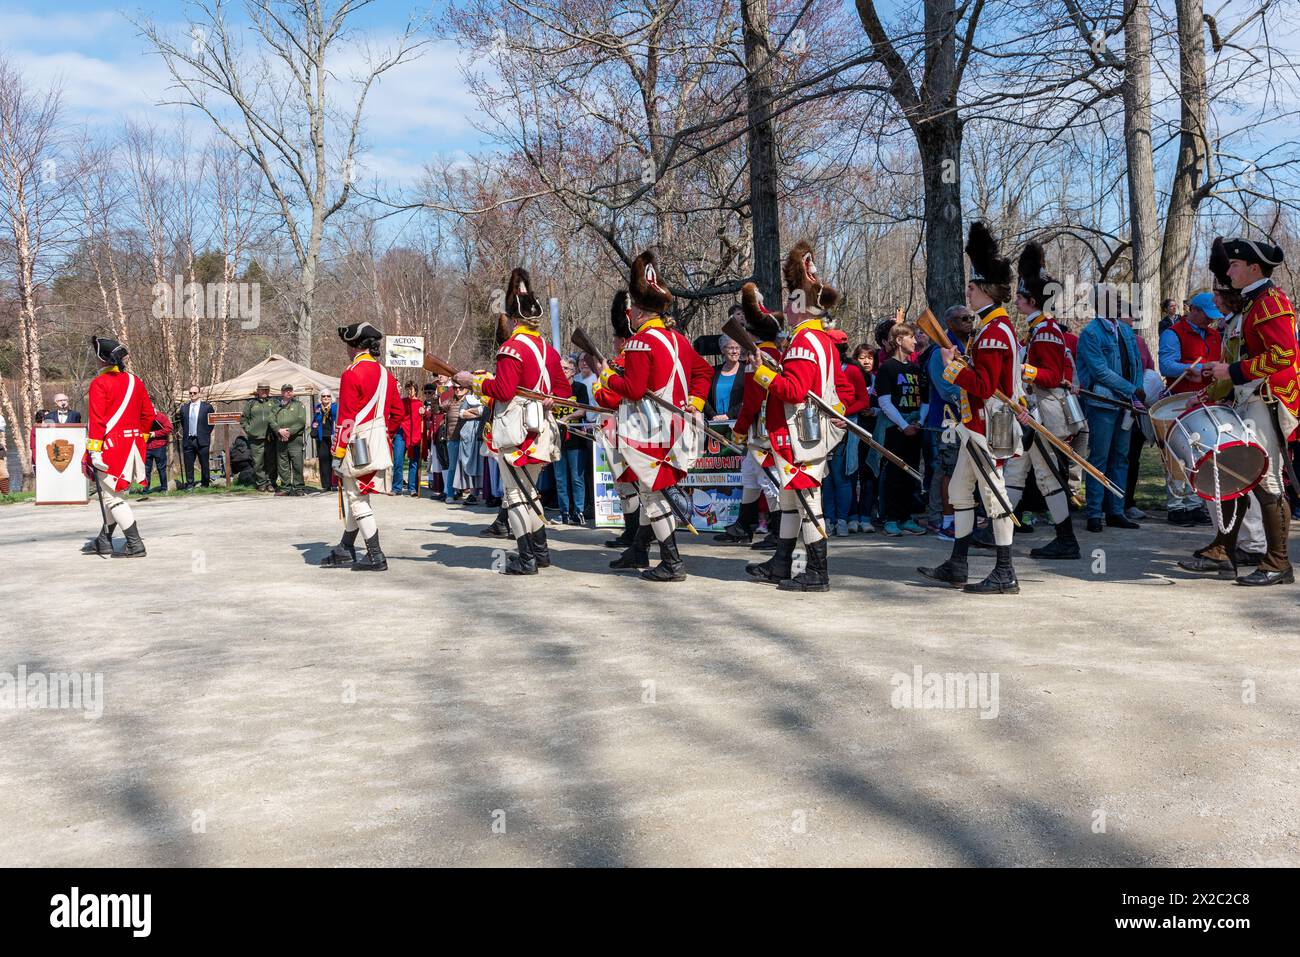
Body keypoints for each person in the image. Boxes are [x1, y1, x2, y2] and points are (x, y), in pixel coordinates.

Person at [919, 221, 1025, 594]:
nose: (967, 293)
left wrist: (952, 366)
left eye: (970, 288)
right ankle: (958, 563)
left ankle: (1005, 571)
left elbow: (985, 386)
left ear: (983, 291)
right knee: (962, 494)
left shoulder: (994, 333)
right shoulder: (990, 328)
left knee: (994, 496)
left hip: (986, 427)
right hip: (974, 426)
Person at [598, 249, 713, 582]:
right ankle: (641, 549)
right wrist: (696, 402)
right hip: (677, 427)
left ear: (639, 310)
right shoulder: (679, 339)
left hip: (649, 431)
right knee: (655, 493)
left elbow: (632, 389)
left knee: (652, 496)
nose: (629, 313)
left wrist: (607, 377)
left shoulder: (639, 344)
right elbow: (704, 372)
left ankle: (672, 562)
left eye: (632, 308)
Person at [745, 241, 852, 592]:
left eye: (792, 299)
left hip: (800, 434)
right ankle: (781, 563)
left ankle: (818, 571)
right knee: (792, 500)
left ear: (800, 304)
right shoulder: (817, 339)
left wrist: (763, 373)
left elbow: (793, 390)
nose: (786, 306)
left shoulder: (805, 342)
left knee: (808, 501)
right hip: (806, 431)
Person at [455, 268, 572, 574]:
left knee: (516, 494)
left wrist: (475, 382)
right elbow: (563, 390)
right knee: (530, 490)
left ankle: (527, 558)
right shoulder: (547, 349)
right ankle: (541, 551)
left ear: (512, 318)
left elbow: (504, 390)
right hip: (541, 429)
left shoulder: (511, 348)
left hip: (516, 431)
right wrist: (548, 398)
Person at [1203, 236, 1298, 586]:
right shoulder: (1250, 303)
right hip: (1251, 397)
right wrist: (1221, 378)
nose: (1229, 271)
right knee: (1237, 475)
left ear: (1253, 268)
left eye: (1234, 265)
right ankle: (1225, 550)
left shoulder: (1271, 302)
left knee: (1267, 478)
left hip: (1269, 399)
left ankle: (1278, 563)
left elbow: (1283, 355)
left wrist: (1233, 372)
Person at [1180, 238, 1268, 577]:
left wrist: (1206, 395)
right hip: (1241, 405)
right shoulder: (1232, 323)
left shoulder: (1239, 321)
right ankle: (1238, 545)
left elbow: (1237, 371)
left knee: (1235, 478)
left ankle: (1250, 546)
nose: (1215, 298)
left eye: (1218, 293)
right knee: (1239, 480)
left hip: (1255, 405)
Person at [994, 241, 1081, 560]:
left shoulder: (1045, 332)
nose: (1014, 300)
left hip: (1044, 414)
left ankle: (1066, 538)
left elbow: (1052, 375)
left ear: (1032, 301)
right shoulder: (1041, 329)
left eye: (1019, 296)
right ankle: (998, 530)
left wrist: (1020, 368)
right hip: (1036, 412)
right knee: (1016, 471)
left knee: (1046, 476)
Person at [319, 322, 404, 570]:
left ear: (354, 346)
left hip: (356, 443)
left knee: (356, 498)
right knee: (358, 495)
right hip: (378, 441)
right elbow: (397, 413)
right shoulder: (386, 374)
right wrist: (383, 434)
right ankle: (346, 547)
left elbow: (346, 417)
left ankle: (376, 555)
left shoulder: (351, 373)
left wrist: (338, 451)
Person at [80, 336, 156, 558]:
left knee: (113, 498)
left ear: (102, 360)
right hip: (132, 446)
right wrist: (138, 438)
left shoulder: (99, 383)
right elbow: (149, 415)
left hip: (109, 447)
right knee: (113, 494)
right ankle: (103, 540)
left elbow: (97, 420)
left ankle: (135, 544)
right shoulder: (135, 381)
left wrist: (94, 451)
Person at [1076, 290, 1145, 533]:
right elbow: (1099, 372)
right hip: (1102, 403)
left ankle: (1116, 510)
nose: (1119, 303)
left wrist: (1137, 389)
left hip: (1126, 404)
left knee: (1121, 457)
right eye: (1113, 300)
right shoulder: (1090, 333)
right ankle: (1095, 512)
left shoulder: (1125, 330)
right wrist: (1131, 389)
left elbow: (1136, 362)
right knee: (1099, 458)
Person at [720, 289, 786, 546]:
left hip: (763, 429)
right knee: (750, 473)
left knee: (770, 479)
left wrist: (740, 428)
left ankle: (779, 531)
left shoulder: (759, 358)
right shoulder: (772, 353)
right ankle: (743, 524)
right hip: (764, 428)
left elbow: (753, 401)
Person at [1158, 291, 1222, 525]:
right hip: (1180, 401)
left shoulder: (1215, 335)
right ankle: (1176, 506)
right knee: (1178, 455)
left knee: (1203, 454)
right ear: (1193, 311)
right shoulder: (1173, 334)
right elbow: (1166, 365)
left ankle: (1196, 503)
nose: (1211, 320)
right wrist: (1201, 368)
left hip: (1209, 402)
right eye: (1207, 315)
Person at [922, 306, 972, 540]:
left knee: (950, 468)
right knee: (948, 469)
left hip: (964, 418)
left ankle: (938, 517)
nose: (969, 321)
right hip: (947, 419)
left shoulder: (967, 346)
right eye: (963, 318)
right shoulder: (940, 350)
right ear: (950, 323)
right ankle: (947, 522)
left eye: (971, 317)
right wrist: (968, 401)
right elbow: (945, 388)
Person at [874, 321, 926, 536]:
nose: (915, 341)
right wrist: (904, 425)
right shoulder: (887, 368)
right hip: (895, 429)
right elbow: (885, 402)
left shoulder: (916, 368)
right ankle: (891, 518)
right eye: (911, 337)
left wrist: (919, 422)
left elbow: (925, 398)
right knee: (894, 473)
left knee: (911, 474)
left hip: (915, 427)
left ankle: (906, 517)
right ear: (898, 340)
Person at [822, 328, 869, 536]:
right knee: (826, 478)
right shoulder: (822, 369)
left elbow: (863, 401)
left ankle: (842, 519)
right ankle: (829, 520)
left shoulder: (852, 370)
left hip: (844, 428)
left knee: (841, 477)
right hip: (822, 427)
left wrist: (841, 415)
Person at [552, 354, 589, 525]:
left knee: (576, 477)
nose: (561, 371)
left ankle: (579, 511)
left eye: (565, 368)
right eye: (559, 368)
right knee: (560, 478)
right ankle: (564, 511)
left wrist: (566, 419)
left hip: (575, 438)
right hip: (557, 439)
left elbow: (582, 411)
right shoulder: (553, 389)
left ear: (573, 371)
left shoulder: (580, 388)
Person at [240, 381, 276, 492]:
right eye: (262, 389)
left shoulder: (274, 402)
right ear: (258, 391)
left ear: (269, 391)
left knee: (271, 461)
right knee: (258, 462)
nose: (264, 392)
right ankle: (261, 483)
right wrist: (249, 430)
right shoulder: (251, 403)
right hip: (255, 438)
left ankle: (271, 483)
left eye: (266, 390)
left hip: (270, 437)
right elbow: (243, 419)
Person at [272, 383, 307, 495]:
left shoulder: (299, 405)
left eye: (290, 390)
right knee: (283, 465)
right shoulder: (276, 407)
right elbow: (271, 420)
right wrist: (279, 430)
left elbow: (301, 422)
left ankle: (299, 488)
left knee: (297, 464)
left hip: (295, 440)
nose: (288, 392)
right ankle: (285, 488)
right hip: (280, 439)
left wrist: (288, 432)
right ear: (282, 393)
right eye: (286, 390)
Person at [178, 385, 215, 489]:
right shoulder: (184, 408)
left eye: (194, 393)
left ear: (199, 394)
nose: (192, 395)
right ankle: (190, 484)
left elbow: (211, 423)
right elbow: (183, 422)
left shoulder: (207, 407)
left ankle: (205, 483)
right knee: (188, 464)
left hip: (202, 439)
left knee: (204, 463)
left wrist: (205, 433)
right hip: (188, 439)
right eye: (190, 393)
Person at [391, 381, 422, 494]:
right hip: (401, 432)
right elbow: (395, 413)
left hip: (414, 433)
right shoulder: (402, 402)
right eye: (408, 389)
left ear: (416, 390)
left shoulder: (420, 403)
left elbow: (427, 416)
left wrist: (424, 413)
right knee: (398, 461)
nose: (409, 391)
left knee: (413, 462)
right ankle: (396, 487)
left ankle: (412, 487)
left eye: (411, 389)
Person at [704, 335, 745, 421]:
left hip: (739, 423)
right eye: (731, 348)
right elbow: (705, 398)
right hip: (715, 422)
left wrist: (728, 415)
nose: (735, 351)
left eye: (737, 348)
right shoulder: (713, 371)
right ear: (723, 350)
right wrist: (713, 415)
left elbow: (749, 399)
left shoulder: (746, 372)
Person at [312, 389, 338, 491]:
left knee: (334, 461)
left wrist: (329, 408)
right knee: (323, 461)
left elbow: (336, 415)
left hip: (333, 436)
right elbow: (315, 419)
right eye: (323, 396)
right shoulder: (318, 407)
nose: (326, 398)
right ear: (320, 398)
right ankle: (326, 485)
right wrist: (314, 424)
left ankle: (335, 484)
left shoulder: (335, 407)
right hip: (321, 437)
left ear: (331, 398)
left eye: (328, 396)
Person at [143, 407, 173, 492]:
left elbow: (169, 428)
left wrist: (155, 434)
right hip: (147, 447)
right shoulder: (143, 418)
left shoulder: (160, 417)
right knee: (146, 469)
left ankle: (164, 488)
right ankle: (146, 489)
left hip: (159, 447)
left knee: (161, 468)